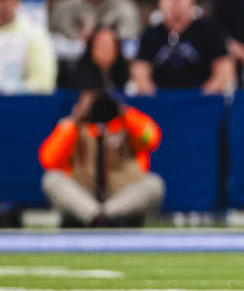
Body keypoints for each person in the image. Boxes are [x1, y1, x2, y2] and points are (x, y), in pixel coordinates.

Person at [39, 89, 164, 227]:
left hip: (120, 194)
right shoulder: (72, 126)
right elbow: (49, 160)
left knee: (154, 184)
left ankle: (106, 215)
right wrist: (74, 120)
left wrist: (125, 113)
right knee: (52, 179)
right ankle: (95, 216)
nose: (98, 107)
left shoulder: (125, 122)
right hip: (85, 196)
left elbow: (151, 138)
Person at [132, 0, 234, 94]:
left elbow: (224, 70)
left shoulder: (208, 31)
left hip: (202, 101)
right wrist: (158, 98)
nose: (176, 0)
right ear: (160, 1)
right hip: (161, 102)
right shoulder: (150, 34)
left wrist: (200, 98)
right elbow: (140, 72)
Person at [0, 0, 56, 94]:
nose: (1, 5)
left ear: (16, 1)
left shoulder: (34, 34)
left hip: (19, 101)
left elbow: (44, 82)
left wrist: (13, 90)